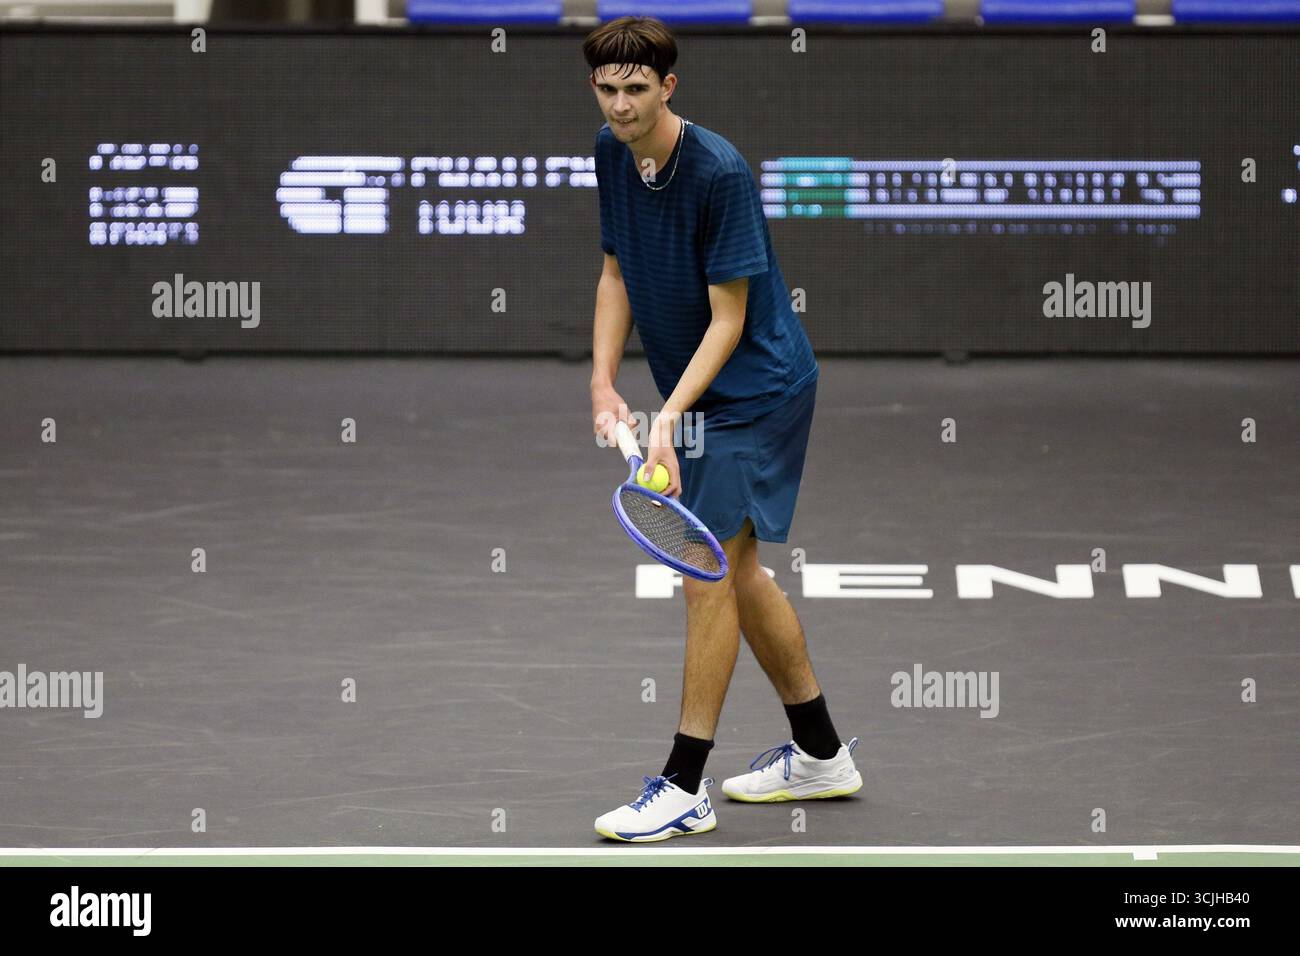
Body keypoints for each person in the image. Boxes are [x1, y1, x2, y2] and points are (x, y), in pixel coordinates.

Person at [586, 16, 861, 843]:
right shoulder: (609, 151)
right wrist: (603, 380)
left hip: (760, 391)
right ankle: (821, 754)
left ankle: (683, 786)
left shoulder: (719, 171)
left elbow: (730, 317)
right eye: (607, 89)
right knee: (738, 574)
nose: (622, 103)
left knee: (706, 570)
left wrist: (665, 416)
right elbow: (614, 273)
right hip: (698, 401)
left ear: (669, 87)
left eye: (638, 88)